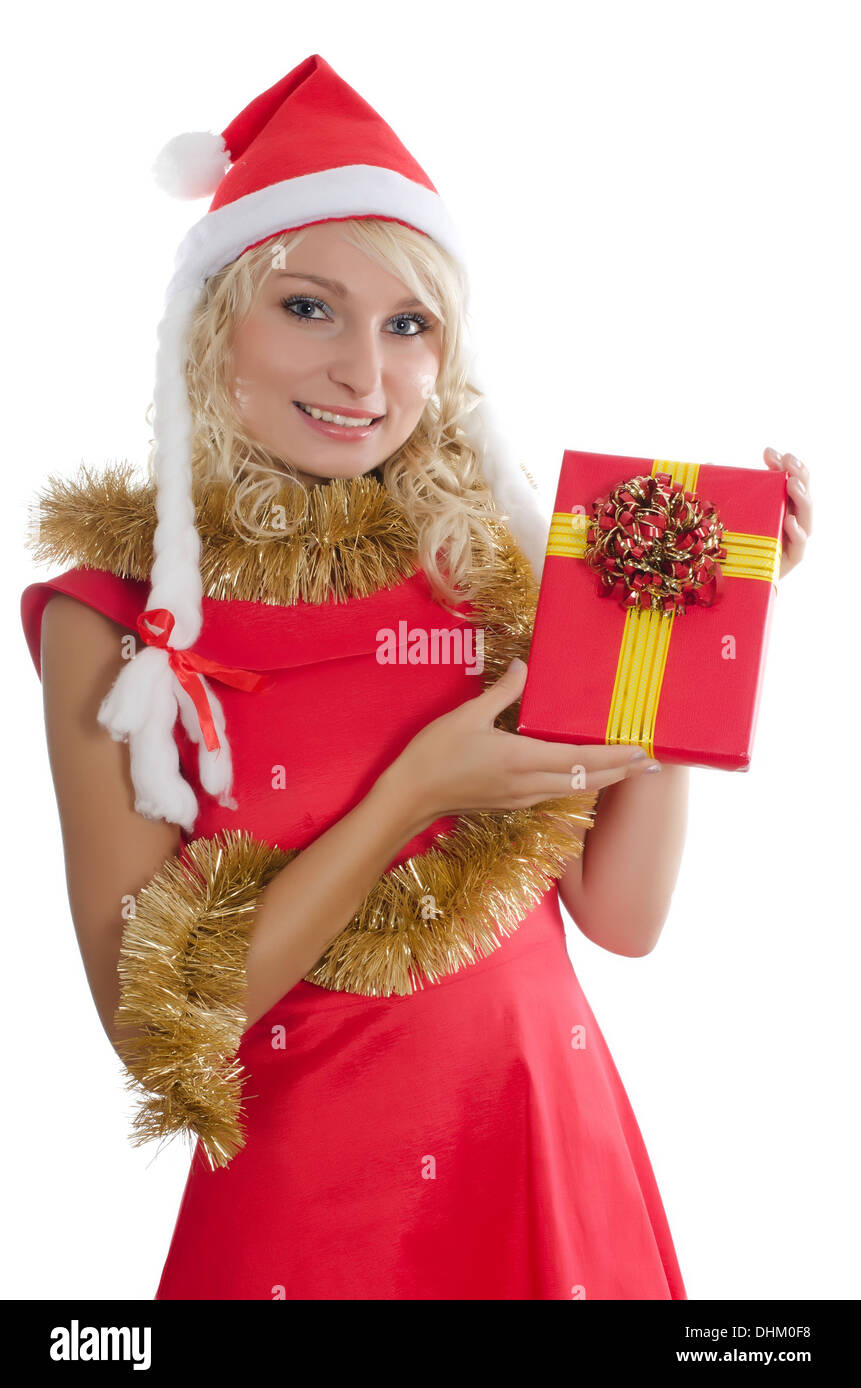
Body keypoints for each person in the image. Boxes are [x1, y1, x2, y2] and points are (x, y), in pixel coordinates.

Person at [19, 54, 811, 1301]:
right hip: (310, 1218)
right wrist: (415, 789)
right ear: (214, 321)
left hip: (551, 1167)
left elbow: (622, 918)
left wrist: (683, 624)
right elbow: (149, 1024)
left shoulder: (486, 564)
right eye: (308, 308)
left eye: (408, 325)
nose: (364, 375)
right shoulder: (121, 623)